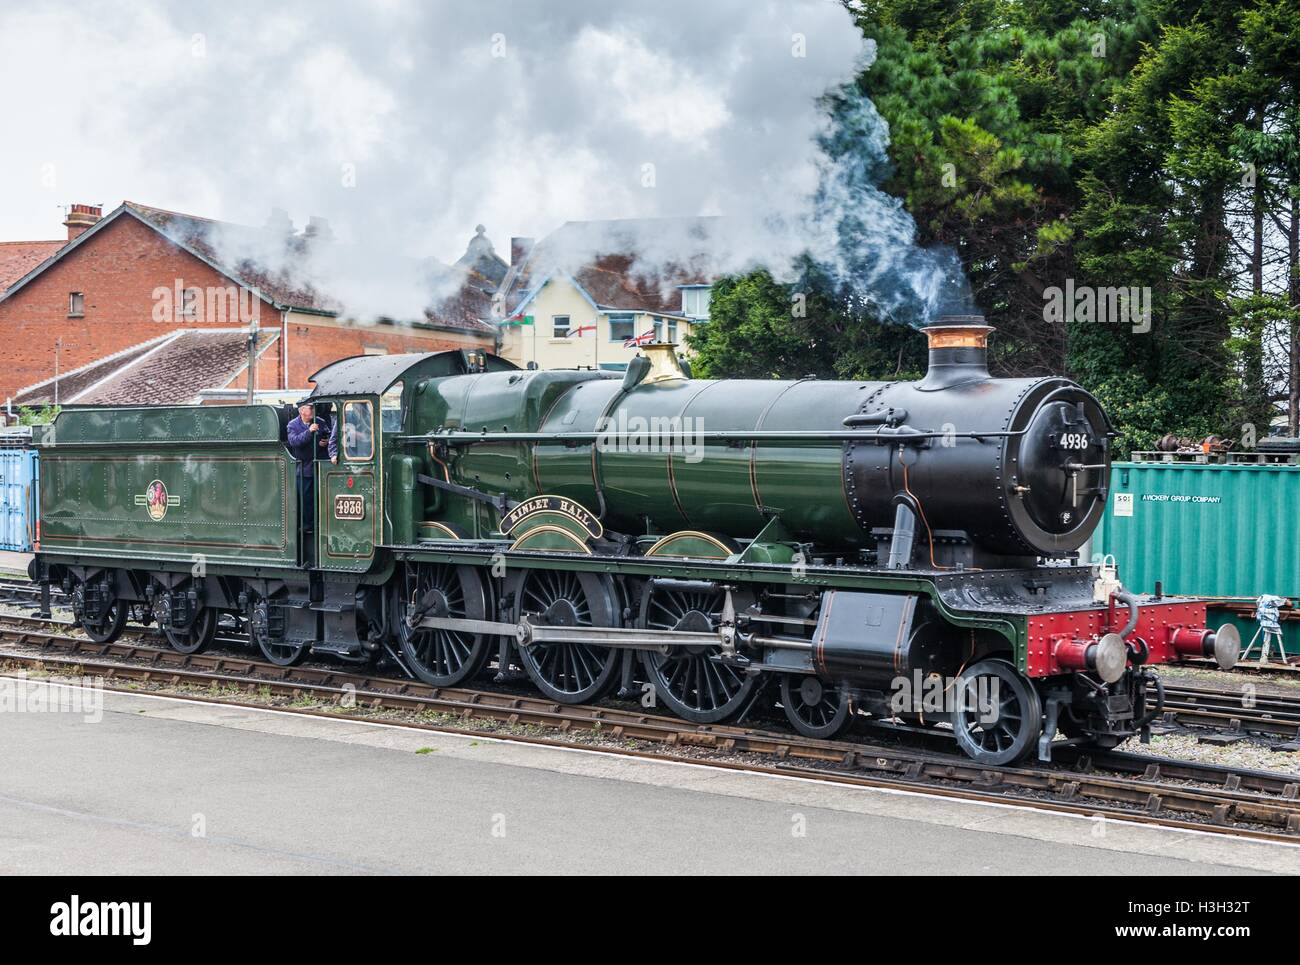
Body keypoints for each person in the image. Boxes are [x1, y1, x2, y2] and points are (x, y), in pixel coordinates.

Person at [285, 402, 332, 533]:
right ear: (302, 411)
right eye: (310, 408)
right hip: (304, 467)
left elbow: (329, 436)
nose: (312, 410)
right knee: (306, 500)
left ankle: (321, 523)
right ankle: (308, 526)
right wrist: (309, 431)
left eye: (313, 408)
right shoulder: (292, 425)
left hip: (320, 466)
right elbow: (294, 442)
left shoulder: (321, 422)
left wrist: (326, 442)